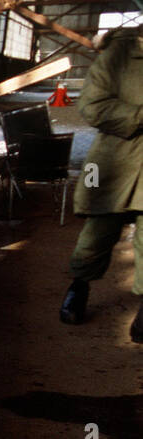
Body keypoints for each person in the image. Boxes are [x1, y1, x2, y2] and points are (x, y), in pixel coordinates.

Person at [62, 26, 143, 342]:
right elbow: (93, 106)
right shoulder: (119, 53)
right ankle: (79, 286)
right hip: (115, 162)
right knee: (97, 235)